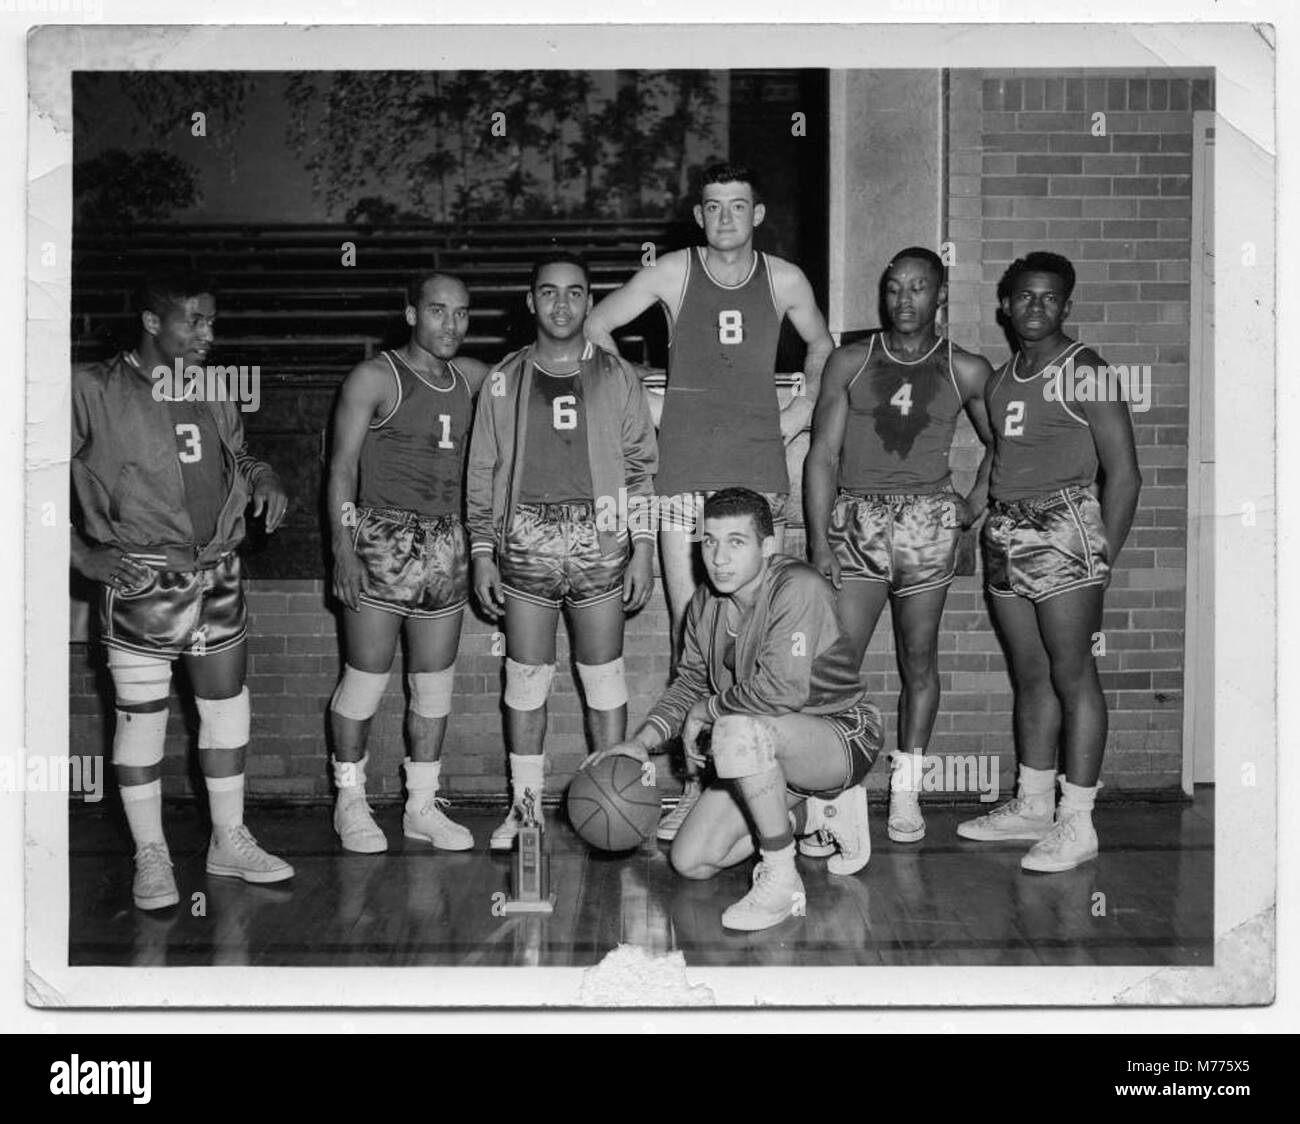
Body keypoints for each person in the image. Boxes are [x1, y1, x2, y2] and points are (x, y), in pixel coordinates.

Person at [584, 162, 834, 840]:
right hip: (683, 478)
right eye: (714, 207)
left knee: (761, 641)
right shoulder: (672, 272)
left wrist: (801, 410)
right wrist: (643, 402)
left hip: (757, 481)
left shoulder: (784, 279)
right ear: (700, 216)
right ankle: (698, 786)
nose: (726, 217)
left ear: (757, 215)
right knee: (689, 638)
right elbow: (595, 324)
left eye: (738, 206)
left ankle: (761, 783)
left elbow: (821, 346)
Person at [70, 271, 293, 911]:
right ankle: (151, 852)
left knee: (227, 712)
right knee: (141, 725)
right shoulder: (91, 389)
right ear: (150, 322)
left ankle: (228, 840)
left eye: (212, 321)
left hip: (218, 571)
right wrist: (83, 552)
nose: (208, 334)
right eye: (194, 321)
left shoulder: (213, 389)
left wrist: (267, 474)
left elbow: (240, 457)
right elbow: (26, 477)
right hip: (142, 576)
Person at [588, 489, 883, 932]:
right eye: (709, 541)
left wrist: (707, 710)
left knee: (735, 729)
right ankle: (820, 813)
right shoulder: (705, 603)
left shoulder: (799, 587)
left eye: (736, 542)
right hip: (769, 749)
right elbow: (689, 684)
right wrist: (640, 743)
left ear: (768, 547)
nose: (719, 558)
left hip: (839, 734)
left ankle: (782, 876)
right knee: (692, 859)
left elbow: (779, 691)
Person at [466, 251, 659, 851]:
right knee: (525, 680)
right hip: (525, 535)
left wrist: (645, 546)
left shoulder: (617, 375)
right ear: (530, 302)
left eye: (574, 293)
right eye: (548, 292)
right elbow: (482, 469)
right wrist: (481, 551)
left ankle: (614, 798)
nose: (561, 304)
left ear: (588, 301)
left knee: (603, 679)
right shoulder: (502, 378)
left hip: (601, 536)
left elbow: (639, 469)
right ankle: (524, 811)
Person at [804, 247, 994, 850]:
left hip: (926, 525)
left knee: (919, 660)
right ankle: (830, 797)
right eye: (894, 288)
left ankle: (906, 787)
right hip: (856, 520)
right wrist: (817, 539)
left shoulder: (965, 368)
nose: (904, 299)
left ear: (940, 296)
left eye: (918, 287)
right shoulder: (850, 361)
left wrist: (973, 505)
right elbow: (822, 456)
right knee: (833, 667)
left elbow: (1006, 444)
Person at [957, 251, 1141, 872]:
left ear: (1066, 305)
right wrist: (973, 509)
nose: (1037, 307)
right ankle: (1033, 804)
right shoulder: (1005, 376)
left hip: (1065, 529)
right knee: (1030, 675)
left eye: (1050, 298)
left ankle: (1077, 820)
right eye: (1025, 297)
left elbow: (1125, 474)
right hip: (1007, 531)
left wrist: (1100, 553)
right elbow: (1001, 459)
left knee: (1074, 675)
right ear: (1006, 305)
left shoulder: (1086, 370)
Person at [325, 272, 489, 853]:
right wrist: (343, 547)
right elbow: (341, 468)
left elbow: (539, 384)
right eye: (439, 311)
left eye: (462, 313)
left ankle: (421, 804)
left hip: (448, 541)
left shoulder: (472, 378)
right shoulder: (375, 377)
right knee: (365, 683)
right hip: (381, 537)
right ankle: (350, 800)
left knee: (433, 688)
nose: (451, 324)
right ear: (411, 312)